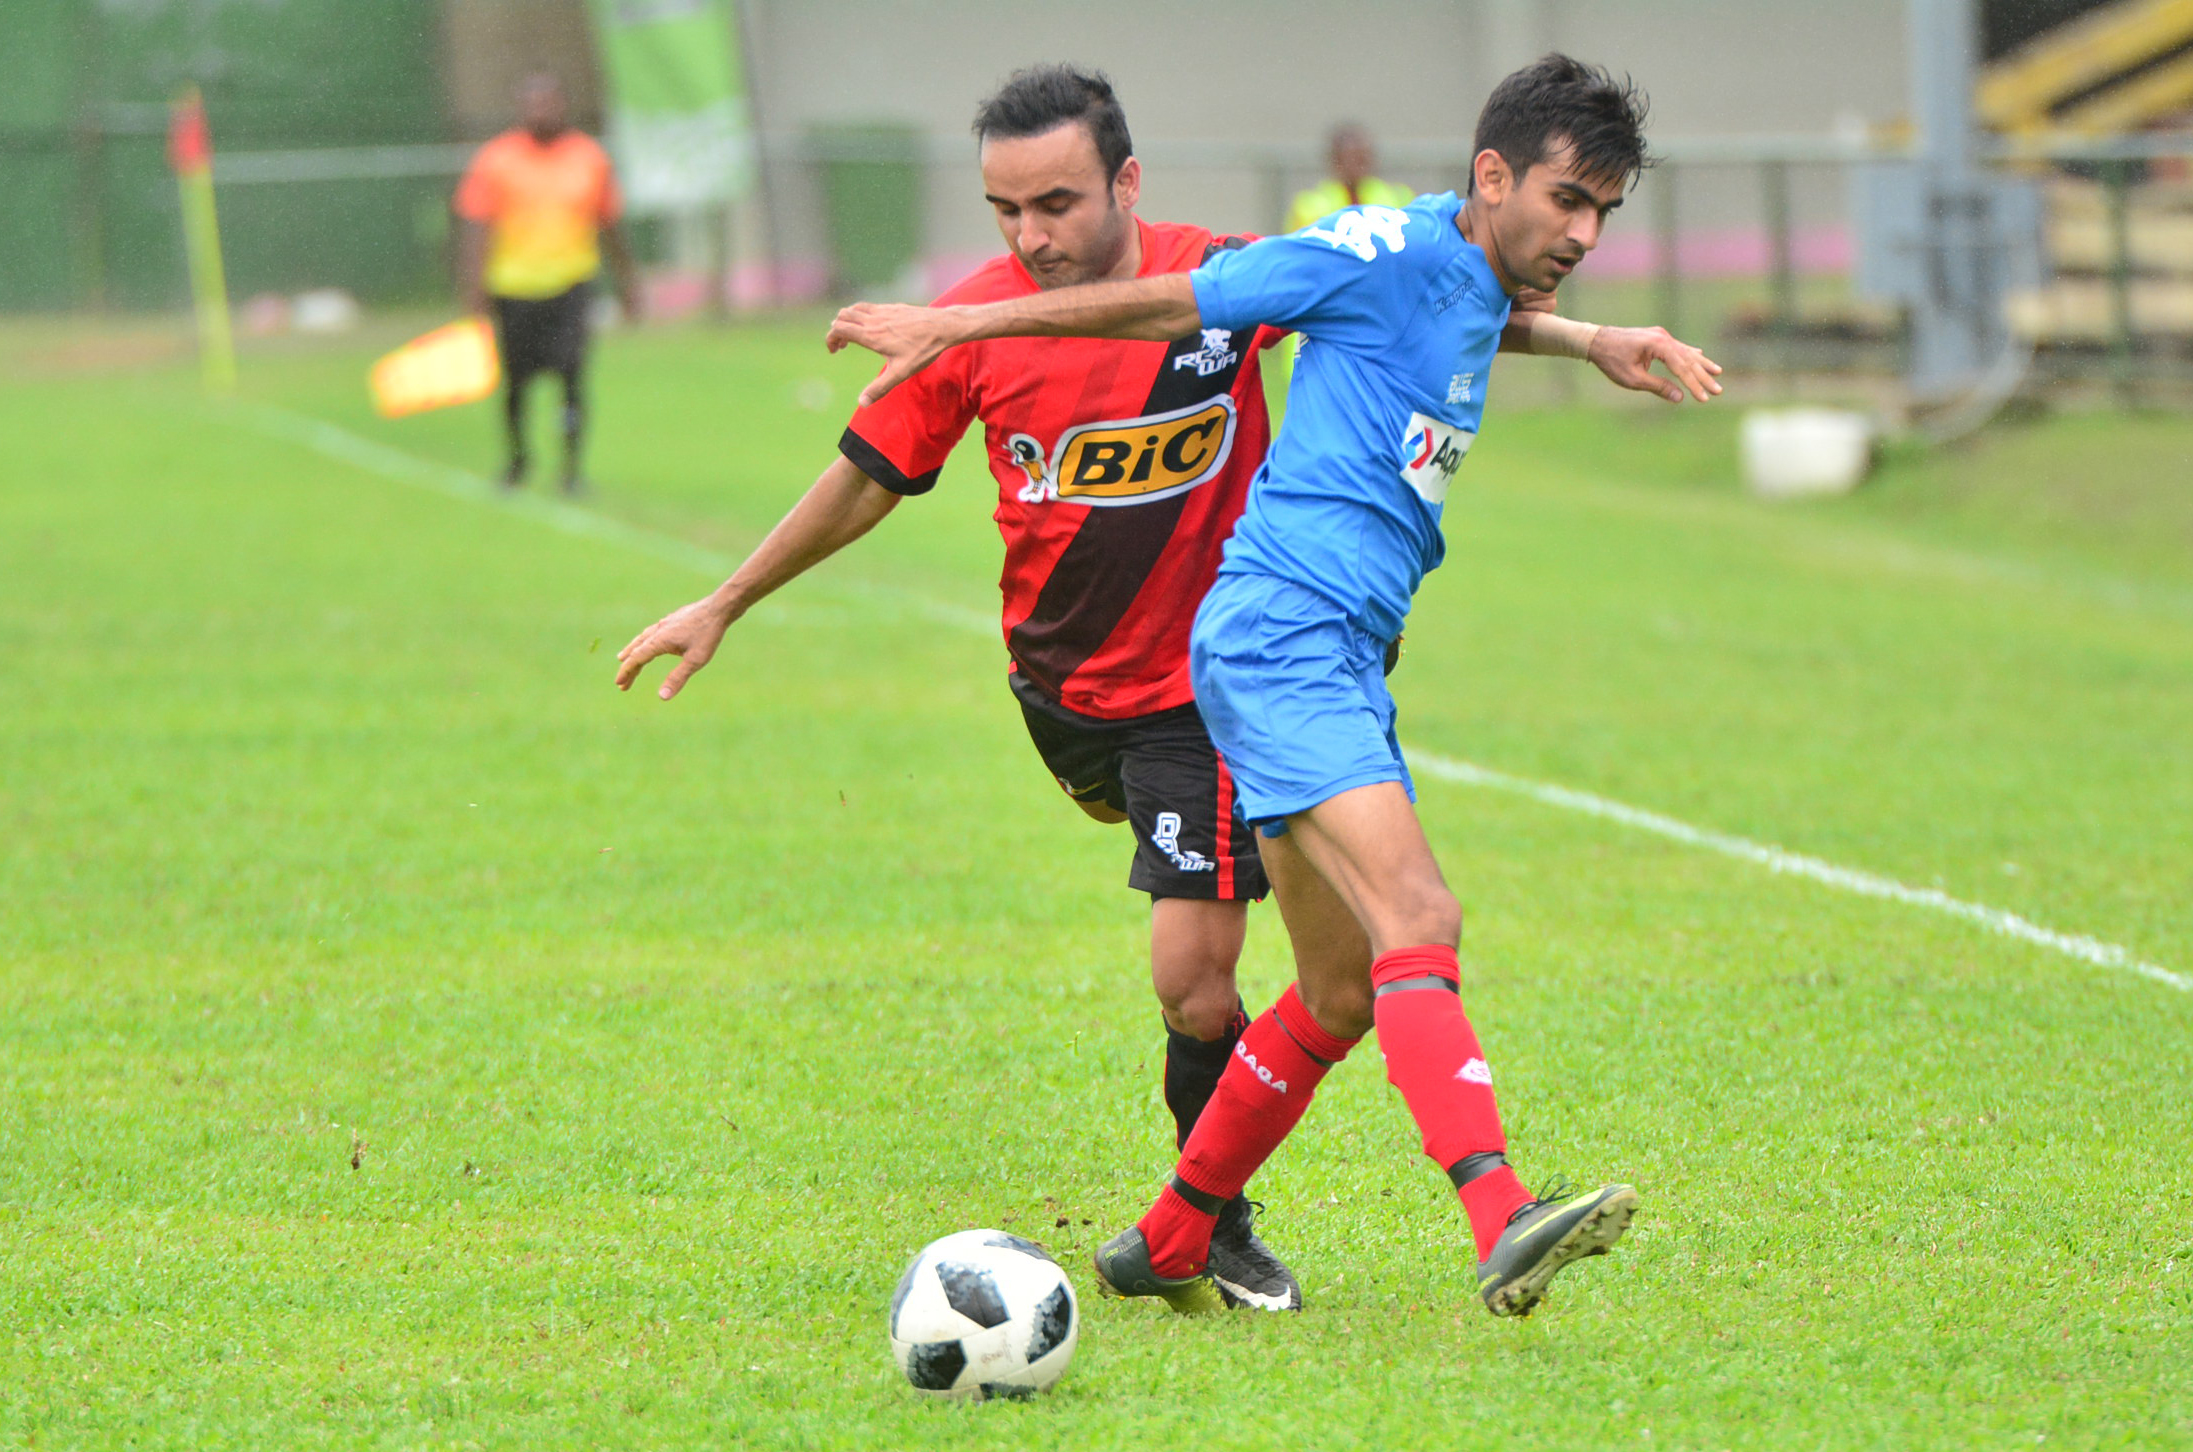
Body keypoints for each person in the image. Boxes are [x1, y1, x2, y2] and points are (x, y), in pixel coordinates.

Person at [826, 54, 1722, 1320]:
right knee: (1420, 911)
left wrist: (1593, 342)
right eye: (1567, 201)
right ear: (1492, 176)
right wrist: (960, 326)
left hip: (1335, 652)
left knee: (1342, 989)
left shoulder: (1461, 260)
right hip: (1279, 639)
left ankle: (1172, 1235)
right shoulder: (1373, 251)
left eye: (1604, 213)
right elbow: (1177, 302)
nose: (1583, 233)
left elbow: (1467, 309)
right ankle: (1502, 1215)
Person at [614, 65, 1312, 1311]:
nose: (1031, 236)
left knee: (1193, 978)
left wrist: (1581, 336)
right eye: (1006, 210)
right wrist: (725, 600)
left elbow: (1395, 297)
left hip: (1200, 693)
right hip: (1059, 696)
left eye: (1057, 204)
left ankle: (1208, 1223)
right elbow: (867, 477)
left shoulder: (1222, 283)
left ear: (1128, 182)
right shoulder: (972, 326)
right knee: (1163, 880)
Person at [454, 73, 641, 495]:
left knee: (572, 376)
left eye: (549, 102)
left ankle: (572, 470)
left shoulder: (589, 158)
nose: (541, 111)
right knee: (516, 383)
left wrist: (628, 283)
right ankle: (517, 459)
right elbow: (477, 226)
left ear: (564, 105)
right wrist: (474, 288)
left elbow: (610, 224)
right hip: (514, 288)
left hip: (571, 286)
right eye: (533, 103)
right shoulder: (496, 159)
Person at [1284, 123, 1414, 234]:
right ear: (1336, 161)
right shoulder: (1308, 205)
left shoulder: (1399, 197)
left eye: (1364, 159)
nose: (1360, 167)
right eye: (1353, 159)